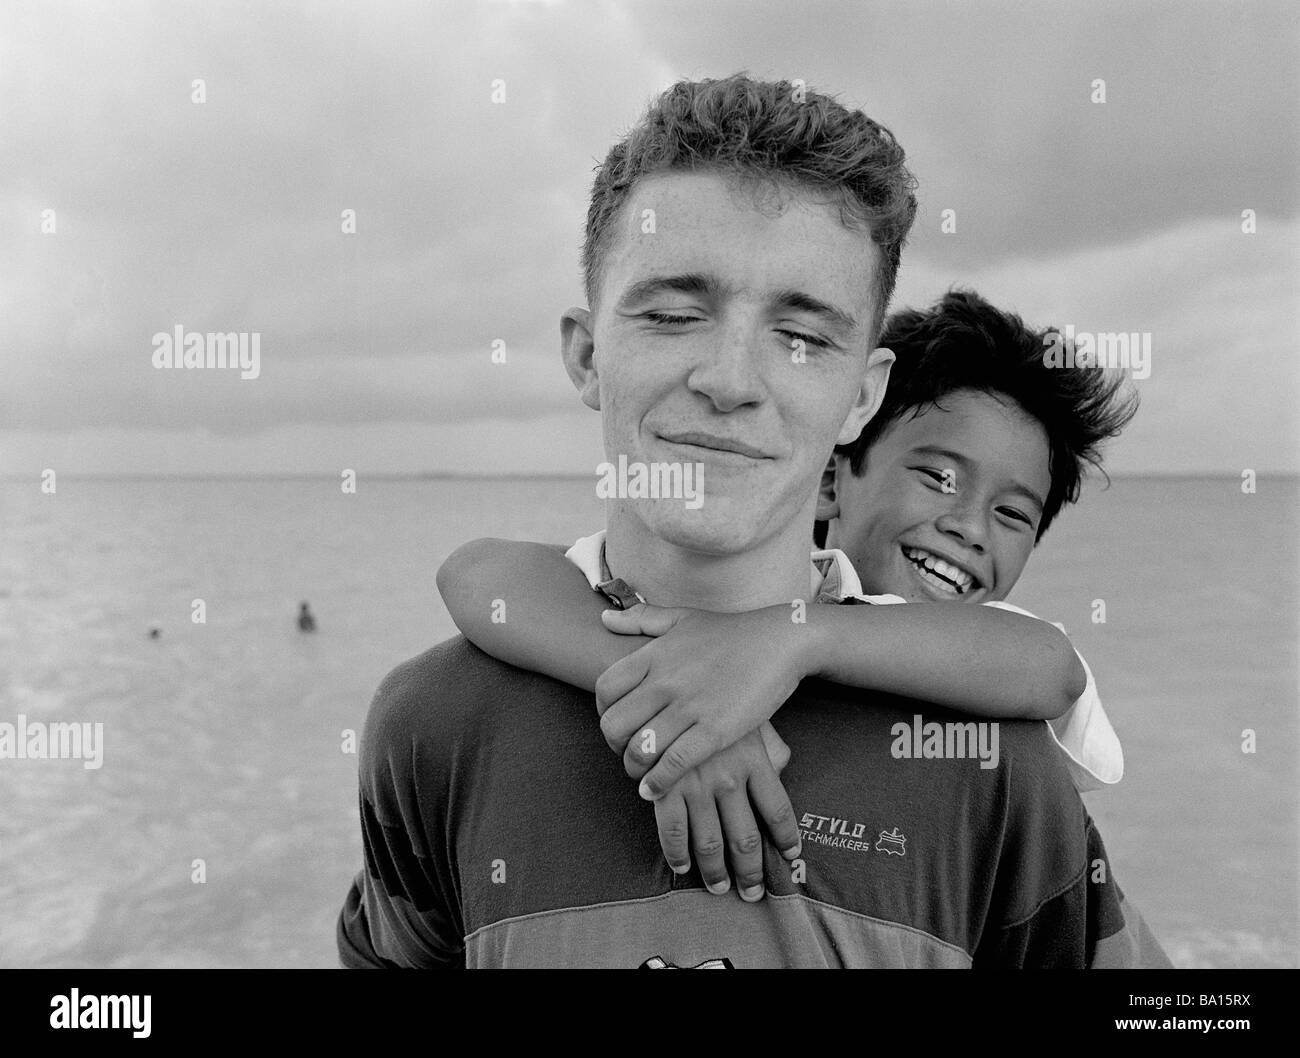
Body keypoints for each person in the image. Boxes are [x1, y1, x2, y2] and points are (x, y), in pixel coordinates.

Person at [338, 73, 1165, 967]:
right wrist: (670, 705)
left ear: (862, 397)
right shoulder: (435, 724)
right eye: (672, 314)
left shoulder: (995, 766)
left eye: (803, 336)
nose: (729, 381)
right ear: (585, 355)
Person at [437, 289, 1142, 881]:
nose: (970, 528)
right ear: (833, 479)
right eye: (937, 477)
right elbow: (475, 573)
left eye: (1013, 514)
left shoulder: (975, 656)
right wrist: (684, 698)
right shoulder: (713, 592)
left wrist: (797, 643)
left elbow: (1053, 669)